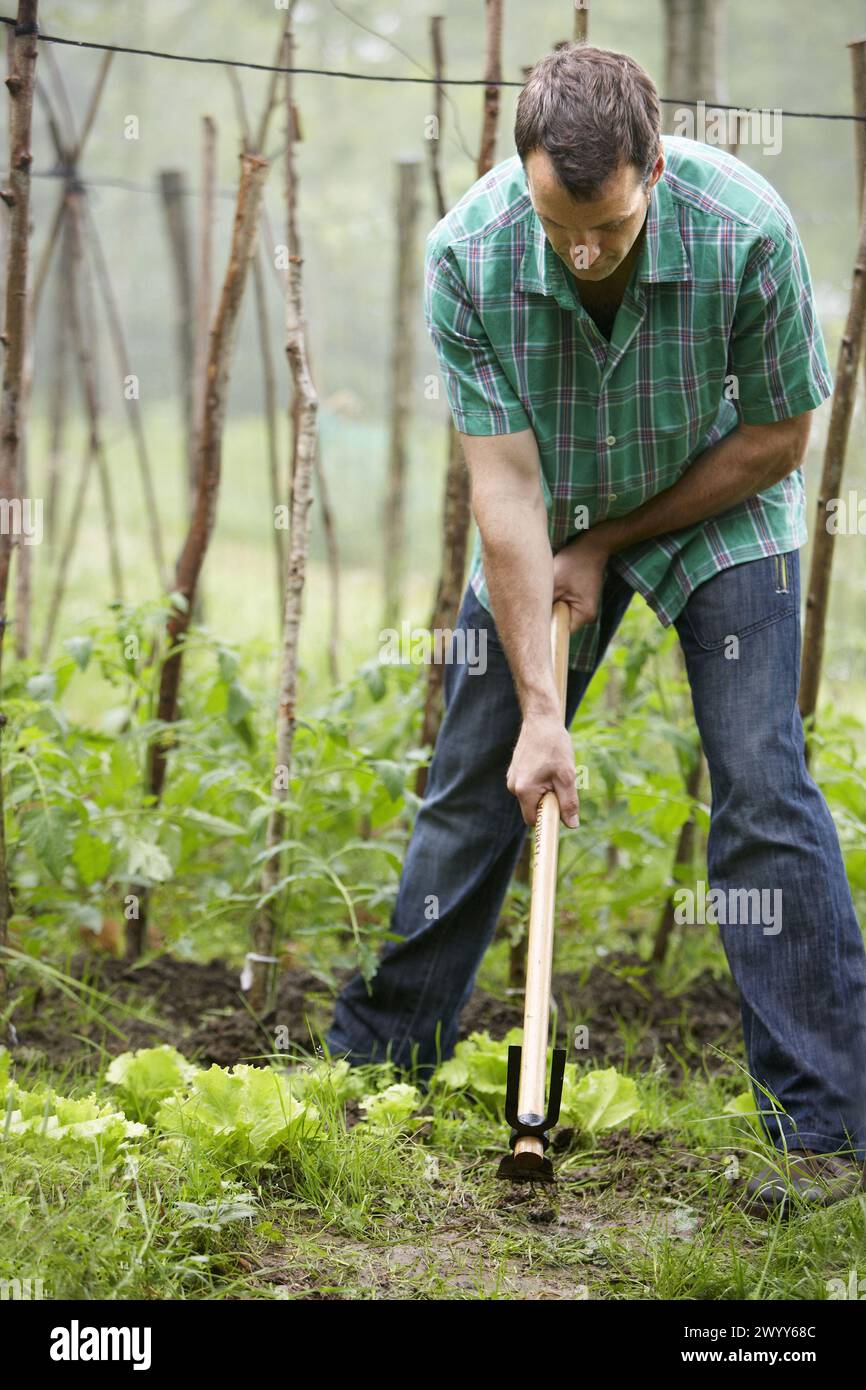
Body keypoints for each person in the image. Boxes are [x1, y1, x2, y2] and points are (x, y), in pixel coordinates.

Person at [326, 44, 866, 1215]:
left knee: (763, 783)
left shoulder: (747, 231)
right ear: (523, 176)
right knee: (477, 782)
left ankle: (826, 1128)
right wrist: (537, 714)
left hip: (715, 500)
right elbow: (505, 493)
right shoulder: (466, 252)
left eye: (607, 229)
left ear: (653, 171)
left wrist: (617, 534)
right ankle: (373, 1065)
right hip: (547, 508)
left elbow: (778, 437)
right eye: (556, 222)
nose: (579, 251)